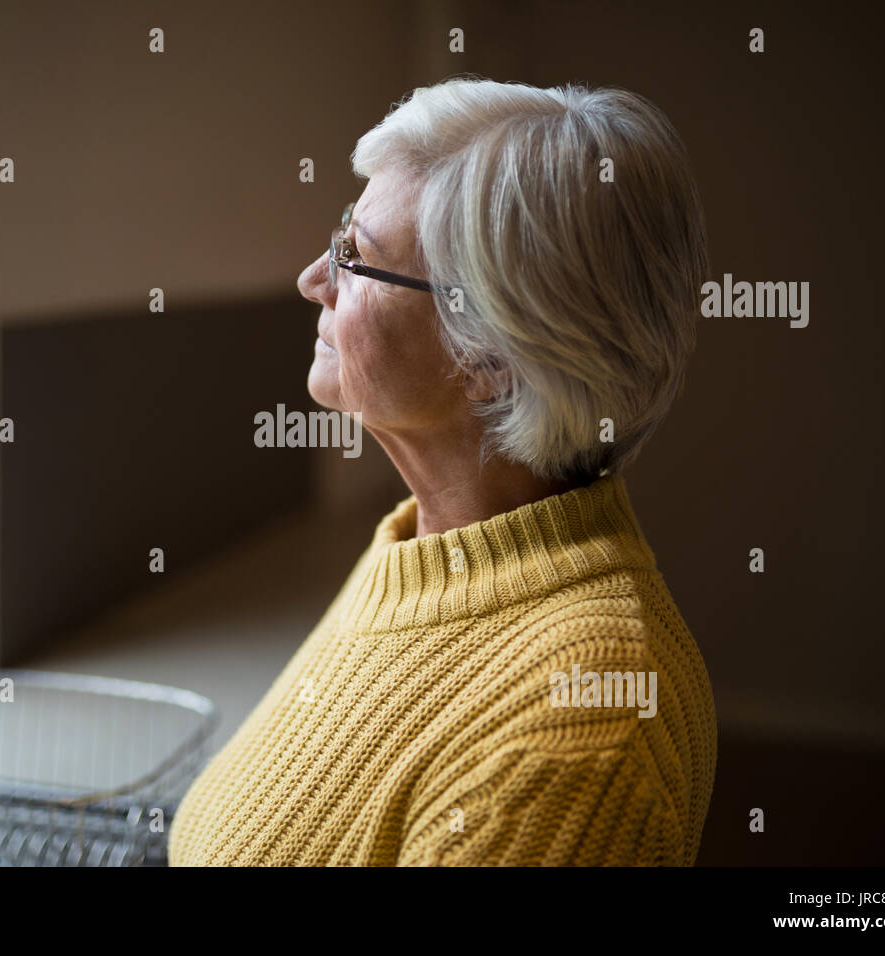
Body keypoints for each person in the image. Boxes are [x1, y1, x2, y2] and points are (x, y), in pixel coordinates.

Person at [168, 76, 716, 866]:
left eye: (356, 258)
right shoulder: (422, 547)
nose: (313, 279)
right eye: (338, 237)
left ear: (489, 356)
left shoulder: (579, 731)